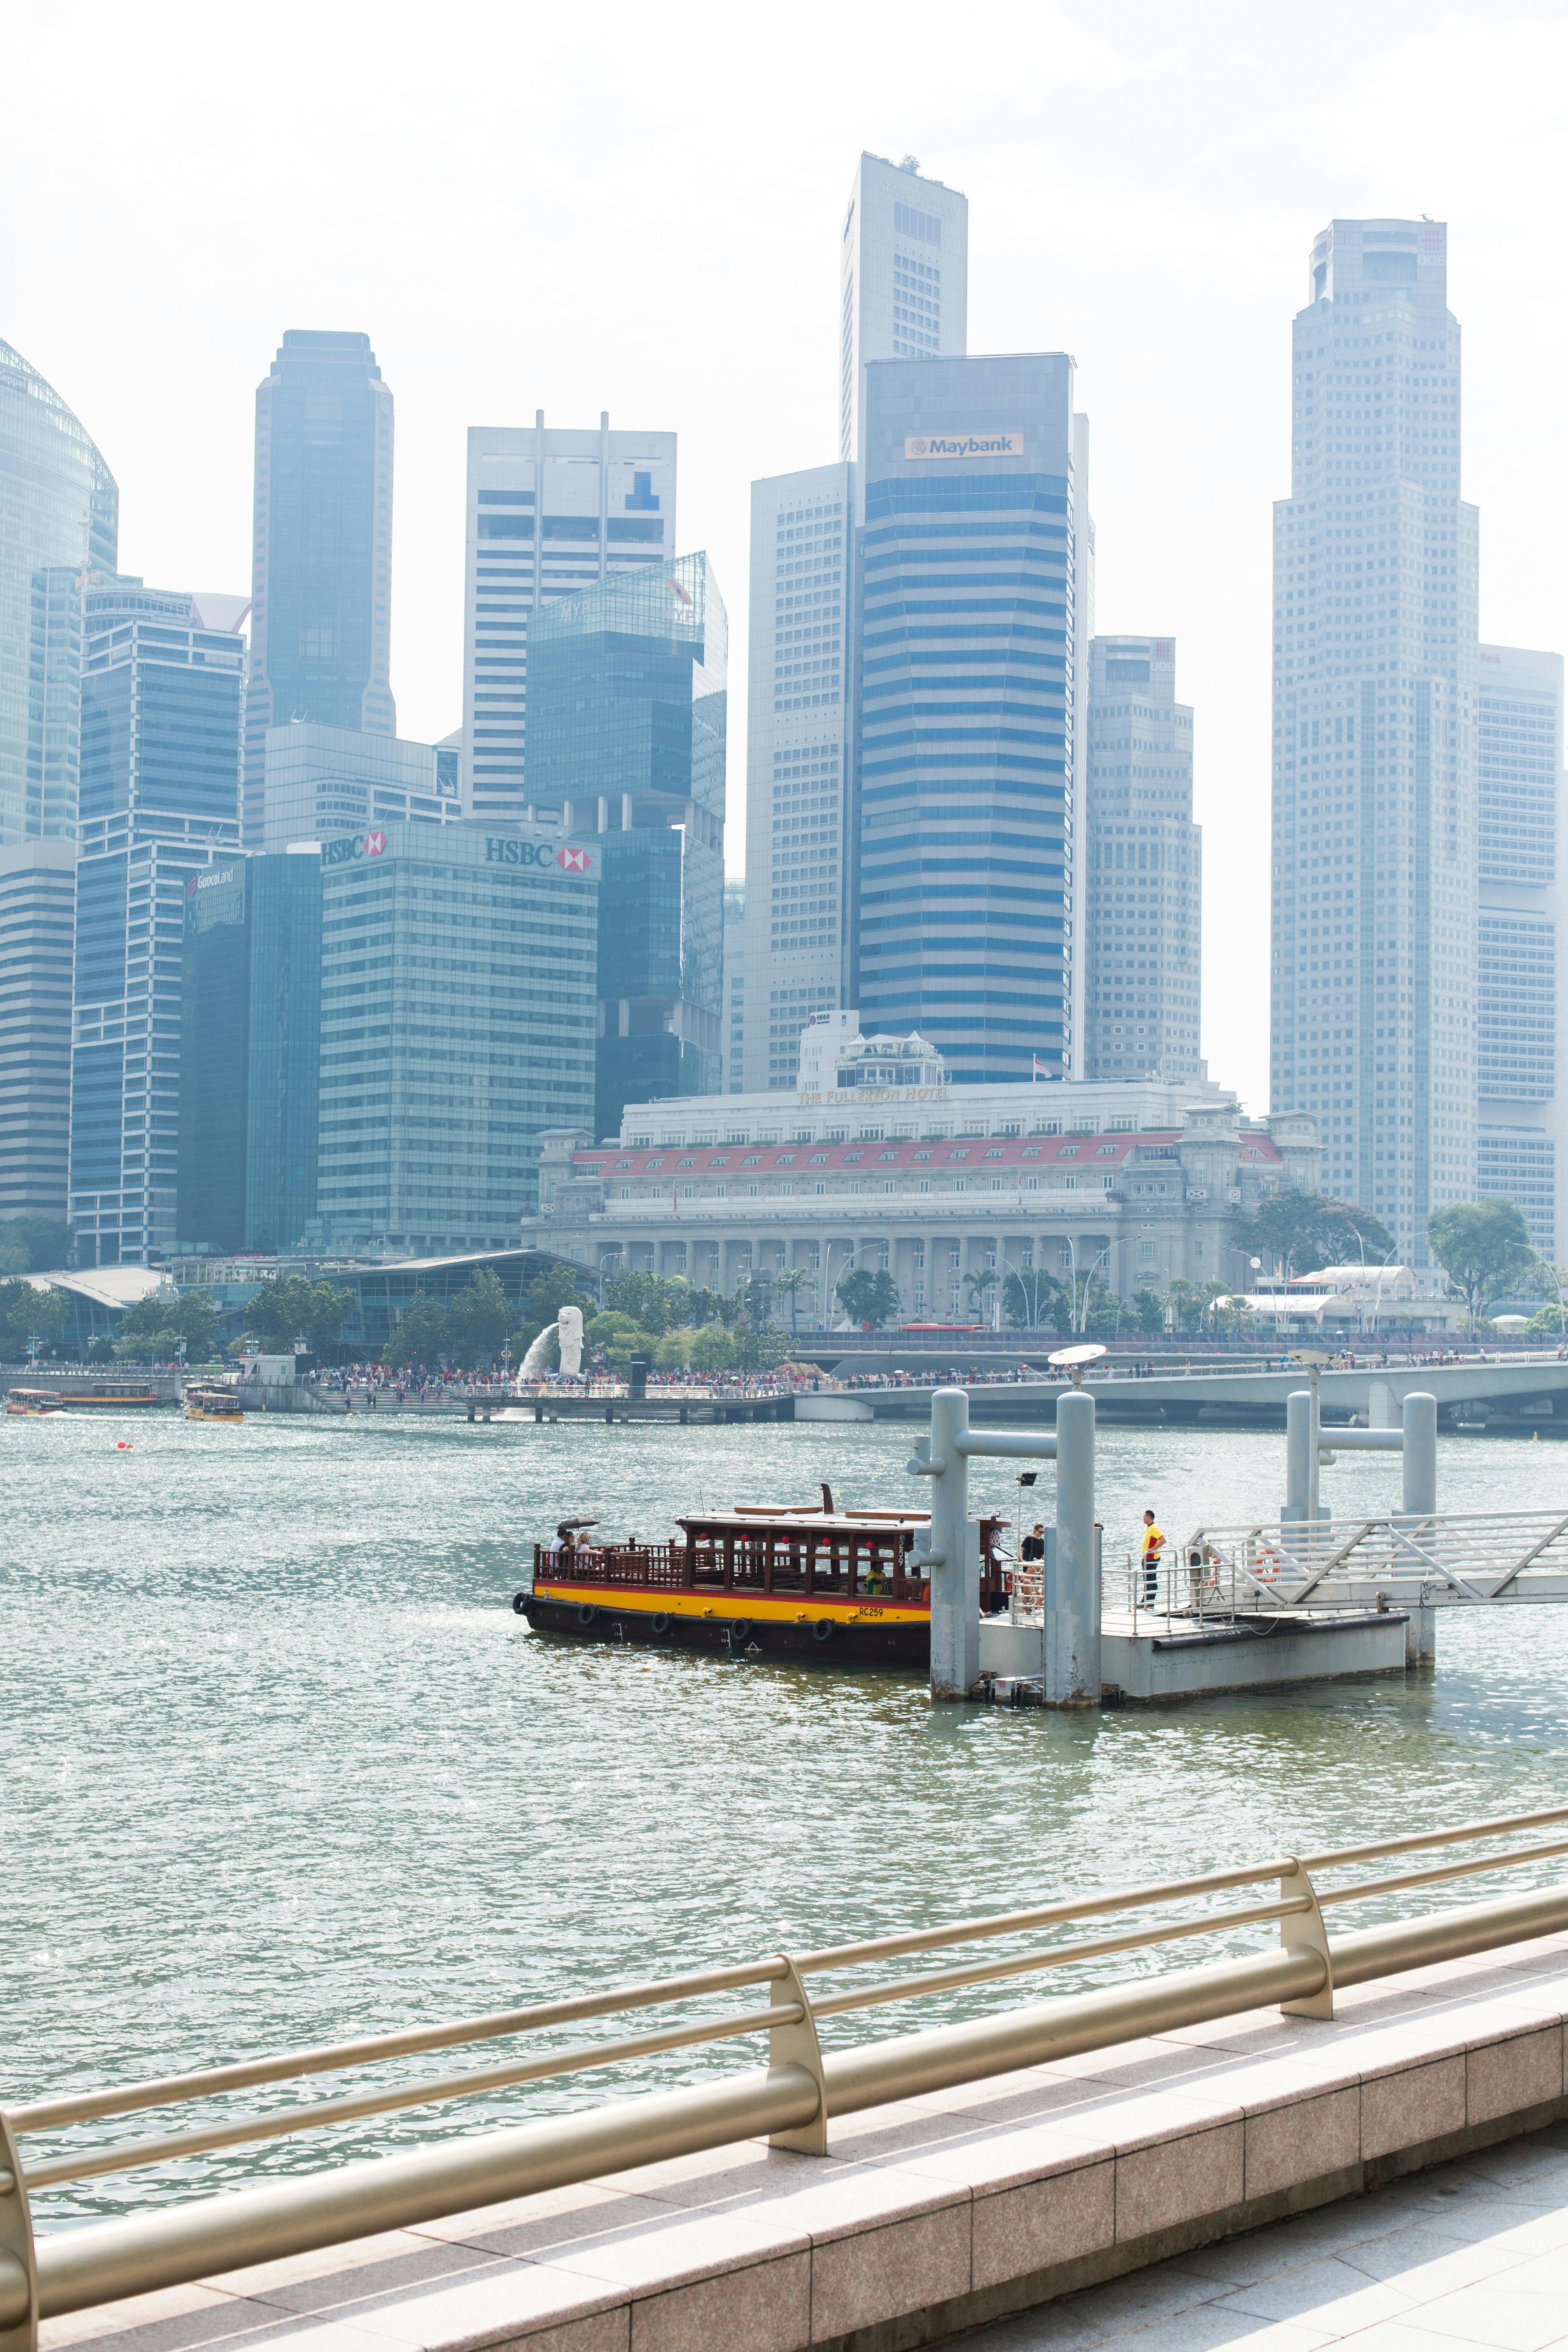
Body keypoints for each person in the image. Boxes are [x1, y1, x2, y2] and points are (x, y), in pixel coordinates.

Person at [1140, 1508, 1165, 1605]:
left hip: (1151, 1558)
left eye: (1144, 1517)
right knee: (1151, 1579)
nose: (1143, 1518)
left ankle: (1145, 1602)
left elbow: (1163, 1540)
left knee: (1149, 1580)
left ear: (1149, 1517)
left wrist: (1153, 1549)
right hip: (1148, 1557)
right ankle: (1150, 1601)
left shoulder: (1154, 1528)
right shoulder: (1150, 1528)